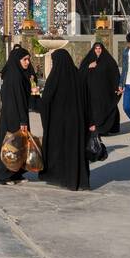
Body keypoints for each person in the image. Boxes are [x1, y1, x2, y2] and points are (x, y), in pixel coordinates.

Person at [39, 48, 93, 191]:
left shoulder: (55, 77)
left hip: (59, 123)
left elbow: (45, 102)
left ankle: (62, 178)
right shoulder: (78, 76)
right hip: (77, 123)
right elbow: (88, 101)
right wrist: (90, 122)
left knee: (60, 150)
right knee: (75, 151)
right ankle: (79, 181)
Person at [0, 46, 33, 185]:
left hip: (12, 115)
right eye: (25, 59)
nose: (27, 62)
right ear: (17, 60)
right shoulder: (15, 76)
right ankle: (3, 176)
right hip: (14, 117)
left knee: (18, 145)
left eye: (28, 59)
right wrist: (22, 120)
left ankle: (15, 173)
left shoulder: (13, 73)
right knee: (10, 145)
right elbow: (19, 99)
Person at [79, 41, 121, 135]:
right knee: (94, 110)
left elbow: (115, 74)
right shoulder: (88, 60)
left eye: (100, 48)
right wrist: (89, 66)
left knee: (106, 108)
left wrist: (118, 87)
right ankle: (95, 127)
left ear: (102, 49)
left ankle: (104, 129)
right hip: (91, 92)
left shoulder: (108, 60)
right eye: (96, 48)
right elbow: (80, 73)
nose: (98, 50)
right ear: (93, 50)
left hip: (105, 91)